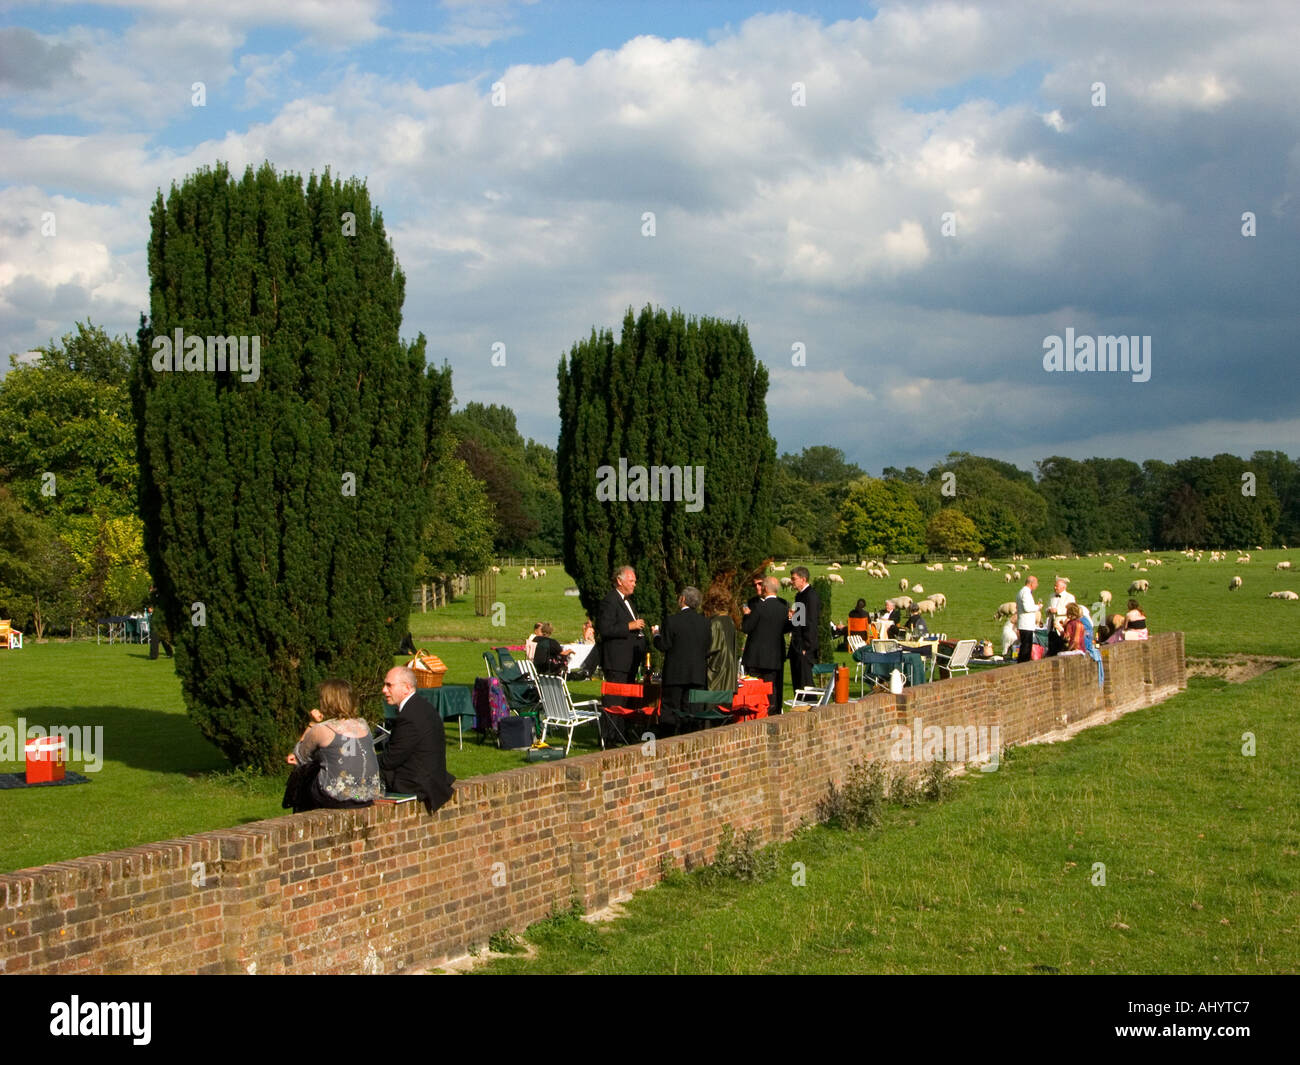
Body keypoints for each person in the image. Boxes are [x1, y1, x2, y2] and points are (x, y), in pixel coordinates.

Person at [283, 680, 383, 813]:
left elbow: (300, 756)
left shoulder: (322, 729)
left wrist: (312, 723)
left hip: (338, 797)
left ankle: (300, 819)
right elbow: (349, 753)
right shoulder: (363, 724)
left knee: (303, 774)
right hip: (365, 795)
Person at [377, 666, 455, 813]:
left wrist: (364, 762)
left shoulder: (410, 716)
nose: (384, 690)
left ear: (407, 687)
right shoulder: (421, 706)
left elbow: (391, 759)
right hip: (430, 776)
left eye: (389, 685)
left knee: (360, 779)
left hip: (417, 783)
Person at [653, 586, 712, 725]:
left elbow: (664, 645)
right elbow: (707, 648)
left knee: (671, 712)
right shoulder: (705, 623)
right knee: (692, 713)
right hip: (696, 675)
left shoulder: (672, 620)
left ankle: (669, 740)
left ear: (683, 599)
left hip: (675, 675)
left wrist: (656, 635)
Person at [741, 576, 789, 714]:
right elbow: (788, 627)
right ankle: (771, 712)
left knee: (755, 689)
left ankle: (756, 714)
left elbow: (746, 628)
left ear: (765, 589)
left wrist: (746, 615)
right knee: (771, 689)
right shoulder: (783, 607)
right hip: (774, 656)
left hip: (756, 657)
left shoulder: (759, 608)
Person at [596, 566, 648, 683]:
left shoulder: (628, 601)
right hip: (617, 664)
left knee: (628, 699)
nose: (634, 584)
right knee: (617, 699)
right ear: (619, 581)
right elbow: (605, 629)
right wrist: (629, 626)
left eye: (635, 581)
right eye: (631, 581)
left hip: (630, 662)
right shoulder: (610, 601)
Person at [786, 566, 821, 693]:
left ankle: (808, 709)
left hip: (804, 647)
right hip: (797, 645)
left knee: (805, 683)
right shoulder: (799, 596)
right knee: (798, 682)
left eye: (794, 579)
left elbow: (811, 622)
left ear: (803, 579)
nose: (791, 581)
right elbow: (799, 621)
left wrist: (807, 647)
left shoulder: (810, 596)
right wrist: (792, 617)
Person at [703, 588, 739, 694]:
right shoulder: (729, 621)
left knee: (712, 709)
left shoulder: (715, 623)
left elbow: (711, 647)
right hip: (728, 675)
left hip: (716, 677)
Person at [1046, 578, 1076, 656]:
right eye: (1055, 586)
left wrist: (1057, 611)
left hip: (1062, 627)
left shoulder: (1070, 597)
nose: (1055, 588)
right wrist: (1049, 610)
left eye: (1057, 586)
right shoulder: (1051, 596)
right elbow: (1047, 608)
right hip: (1051, 627)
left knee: (1062, 647)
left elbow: (1072, 611)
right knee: (1051, 648)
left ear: (1063, 587)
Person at [1016, 575, 1042, 663]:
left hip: (1024, 624)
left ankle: (1022, 664)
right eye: (1036, 583)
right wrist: (1037, 607)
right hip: (1026, 624)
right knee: (1026, 647)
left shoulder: (1022, 591)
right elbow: (1027, 608)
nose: (1037, 585)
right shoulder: (1026, 593)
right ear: (1031, 583)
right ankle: (1022, 665)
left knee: (1025, 646)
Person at [146, 586, 173, 660]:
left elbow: (151, 608)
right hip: (161, 617)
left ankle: (154, 655)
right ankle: (169, 652)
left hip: (157, 617)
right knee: (162, 636)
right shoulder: (163, 596)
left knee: (155, 635)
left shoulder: (155, 597)